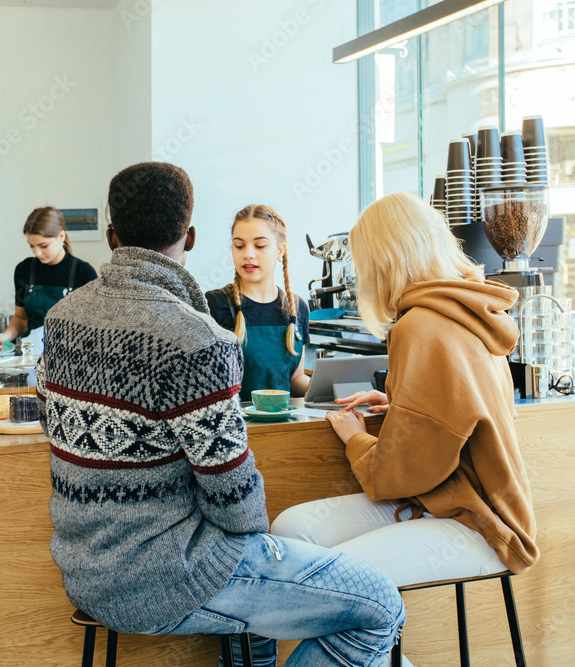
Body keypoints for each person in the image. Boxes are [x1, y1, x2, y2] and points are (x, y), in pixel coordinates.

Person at [38, 161, 405, 667]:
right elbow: (234, 498)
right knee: (381, 606)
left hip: (85, 572)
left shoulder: (60, 320)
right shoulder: (197, 338)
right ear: (189, 238)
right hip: (171, 576)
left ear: (110, 236)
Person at [272, 192, 539, 591]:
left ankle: (388, 657)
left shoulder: (418, 325)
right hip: (458, 500)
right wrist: (399, 405)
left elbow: (406, 471)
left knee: (329, 583)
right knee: (291, 529)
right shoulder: (470, 310)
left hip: (479, 521)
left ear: (383, 262)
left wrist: (356, 439)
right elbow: (462, 415)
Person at [206, 205, 311, 400]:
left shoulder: (297, 308)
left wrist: (331, 390)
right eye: (239, 245)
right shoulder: (214, 304)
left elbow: (296, 380)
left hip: (283, 425)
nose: (248, 254)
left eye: (260, 245)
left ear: (281, 250)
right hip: (235, 427)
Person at [0, 206, 97, 354]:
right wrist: (5, 336)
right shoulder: (24, 270)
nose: (37, 252)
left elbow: (94, 327)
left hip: (72, 358)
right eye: (32, 246)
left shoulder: (84, 273)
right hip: (33, 356)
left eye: (43, 246)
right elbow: (21, 318)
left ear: (61, 237)